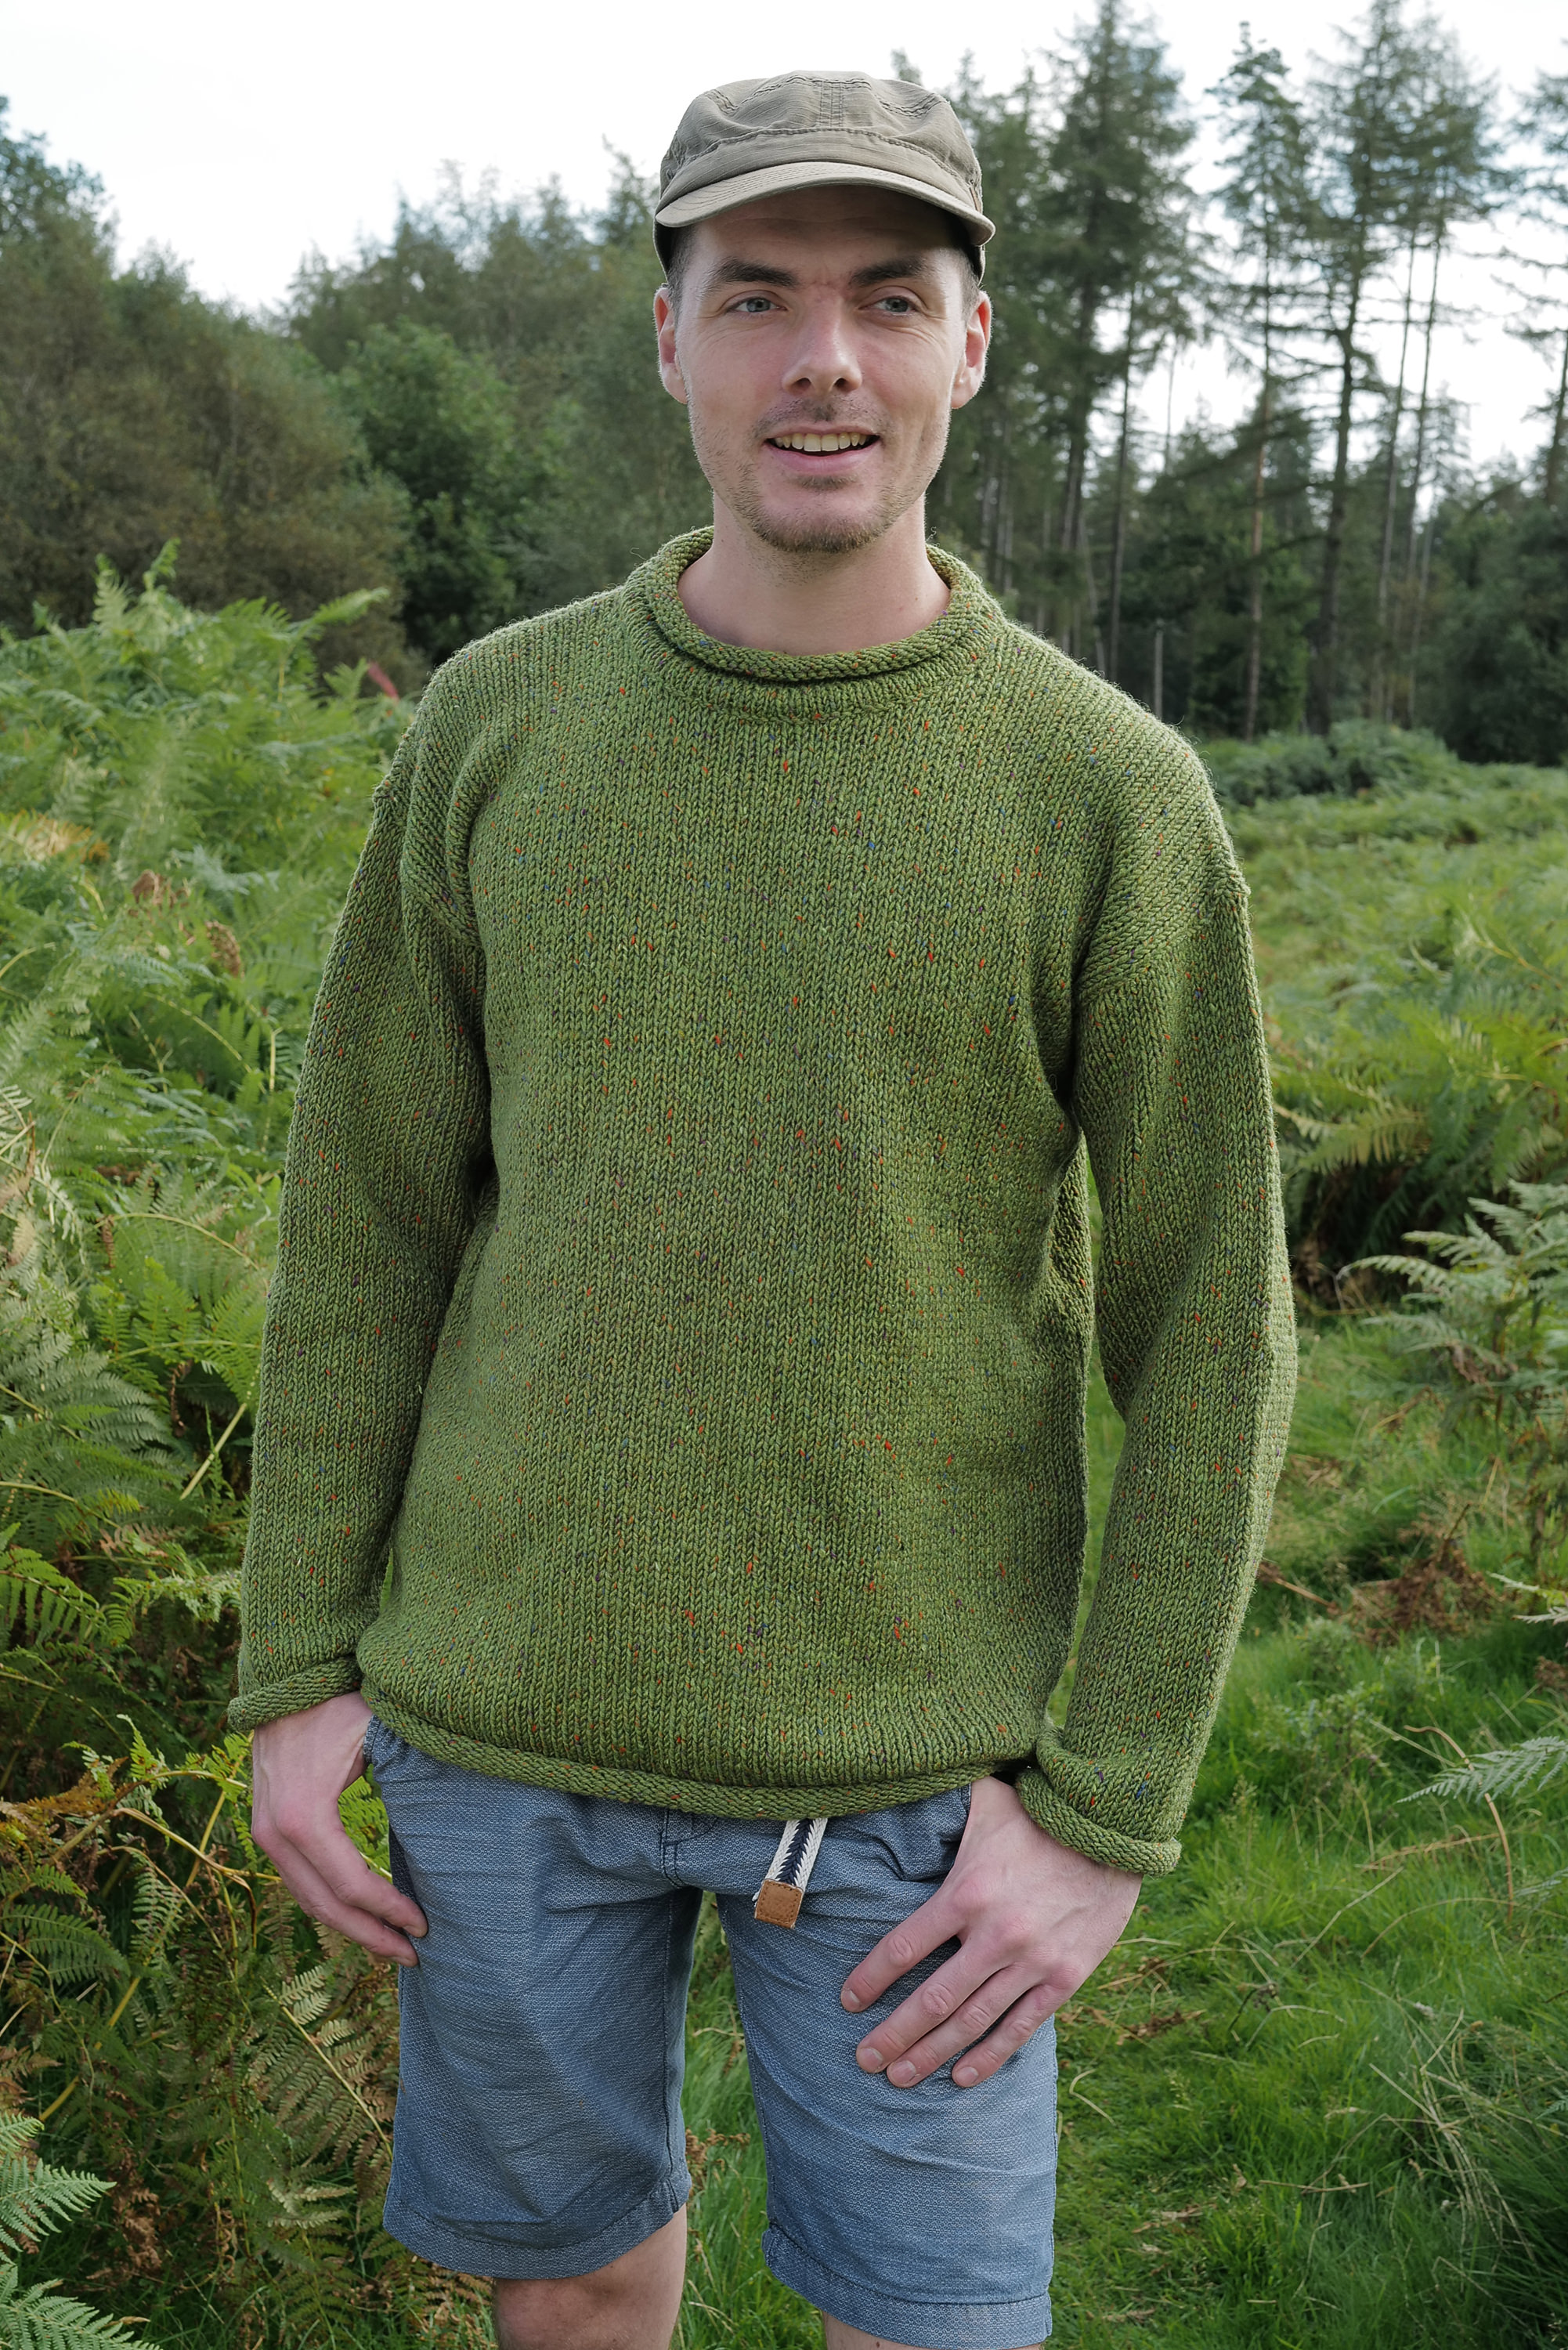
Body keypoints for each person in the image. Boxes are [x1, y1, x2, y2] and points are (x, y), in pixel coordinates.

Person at [234, 69, 1296, 2350]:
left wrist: (1101, 1811)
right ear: (670, 342)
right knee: (576, 2293)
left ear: (970, 342)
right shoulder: (496, 734)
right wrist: (296, 1671)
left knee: (926, 2329)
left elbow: (1214, 1321)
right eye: (759, 298)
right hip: (498, 1743)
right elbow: (368, 1229)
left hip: (917, 1798)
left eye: (885, 299)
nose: (824, 357)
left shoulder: (1106, 794)